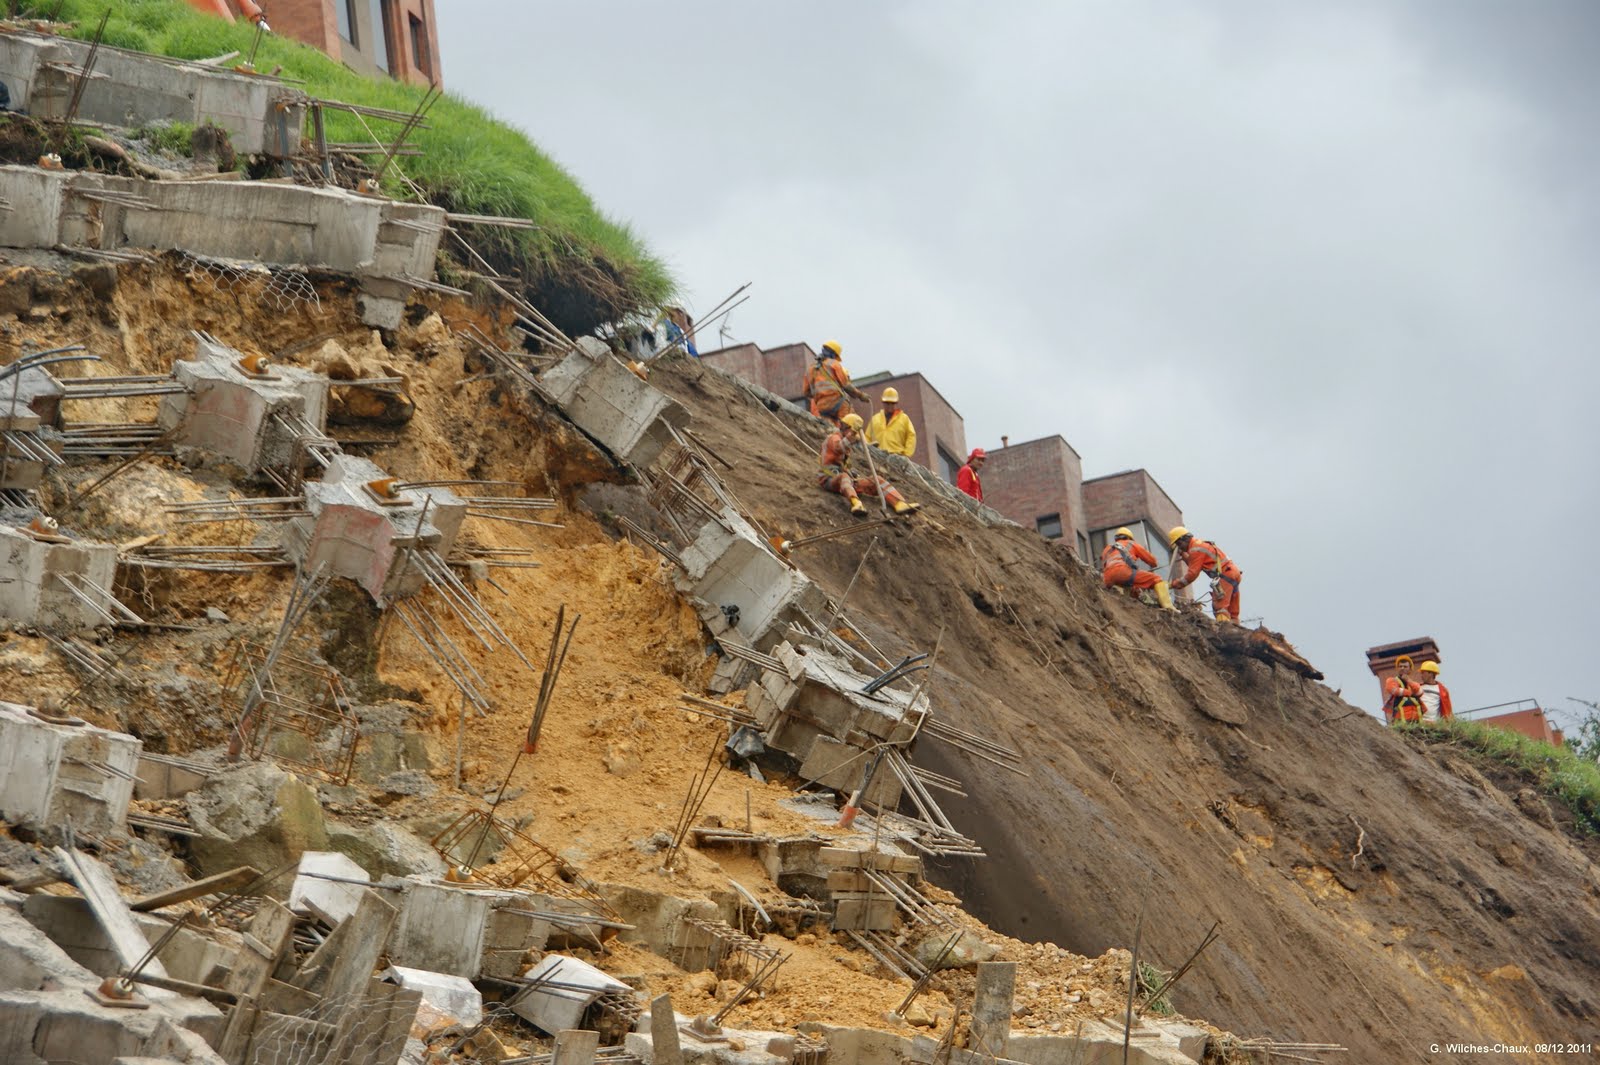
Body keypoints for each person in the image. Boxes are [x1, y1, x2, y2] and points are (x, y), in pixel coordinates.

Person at [818, 413, 920, 516]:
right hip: (829, 479)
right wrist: (852, 434)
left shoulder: (846, 444)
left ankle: (899, 503)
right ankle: (856, 503)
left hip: (845, 481)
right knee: (844, 477)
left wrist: (851, 472)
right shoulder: (833, 438)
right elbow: (838, 448)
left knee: (877, 480)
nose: (854, 437)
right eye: (853, 433)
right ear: (846, 428)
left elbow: (844, 462)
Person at [1168, 526, 1242, 622]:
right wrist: (1182, 554)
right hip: (1233, 573)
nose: (1180, 547)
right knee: (1233, 612)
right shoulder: (1198, 545)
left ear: (1183, 540)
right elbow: (1193, 563)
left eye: (1179, 544)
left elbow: (1192, 574)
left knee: (1219, 607)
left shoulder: (1196, 549)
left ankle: (1225, 631)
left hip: (1225, 575)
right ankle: (1236, 630)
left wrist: (1174, 584)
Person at [1100, 528, 1175, 610]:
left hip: (1107, 577)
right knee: (1157, 579)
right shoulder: (1131, 543)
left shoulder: (1107, 549)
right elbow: (1152, 561)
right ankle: (1169, 607)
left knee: (1134, 589)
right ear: (1129, 538)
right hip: (1122, 572)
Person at [803, 340, 868, 424]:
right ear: (834, 354)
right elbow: (846, 386)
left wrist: (821, 396)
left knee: (830, 429)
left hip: (822, 407)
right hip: (838, 403)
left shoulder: (810, 370)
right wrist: (861, 395)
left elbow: (806, 392)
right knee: (848, 423)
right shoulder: (834, 364)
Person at [866, 387, 916, 457]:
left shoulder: (904, 419)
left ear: (896, 403)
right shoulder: (875, 419)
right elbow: (867, 437)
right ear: (883, 403)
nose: (890, 406)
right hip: (878, 457)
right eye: (887, 403)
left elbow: (911, 436)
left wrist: (906, 454)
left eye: (892, 403)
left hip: (897, 456)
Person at [1383, 658, 1424, 725]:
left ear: (1410, 669)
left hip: (1416, 720)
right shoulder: (1392, 680)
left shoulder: (1413, 683)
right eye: (1400, 666)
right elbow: (1395, 690)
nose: (1402, 668)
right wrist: (1410, 693)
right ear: (1397, 668)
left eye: (1405, 666)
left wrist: (1408, 681)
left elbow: (1419, 692)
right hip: (1400, 720)